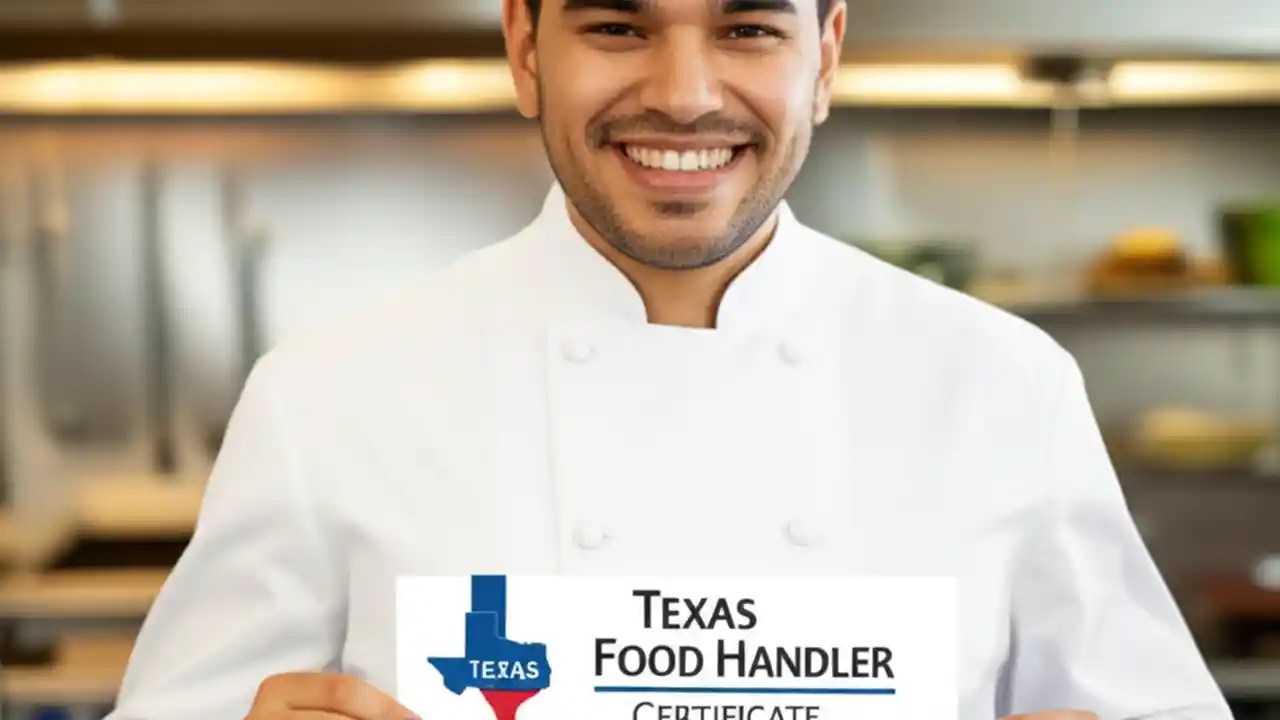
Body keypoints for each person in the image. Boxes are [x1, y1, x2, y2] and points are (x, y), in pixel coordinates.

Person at [106, 1, 1232, 719]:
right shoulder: (329, 394)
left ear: (825, 54)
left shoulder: (1001, 385)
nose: (685, 92)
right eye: (615, 26)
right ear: (521, 46)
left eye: (746, 28)